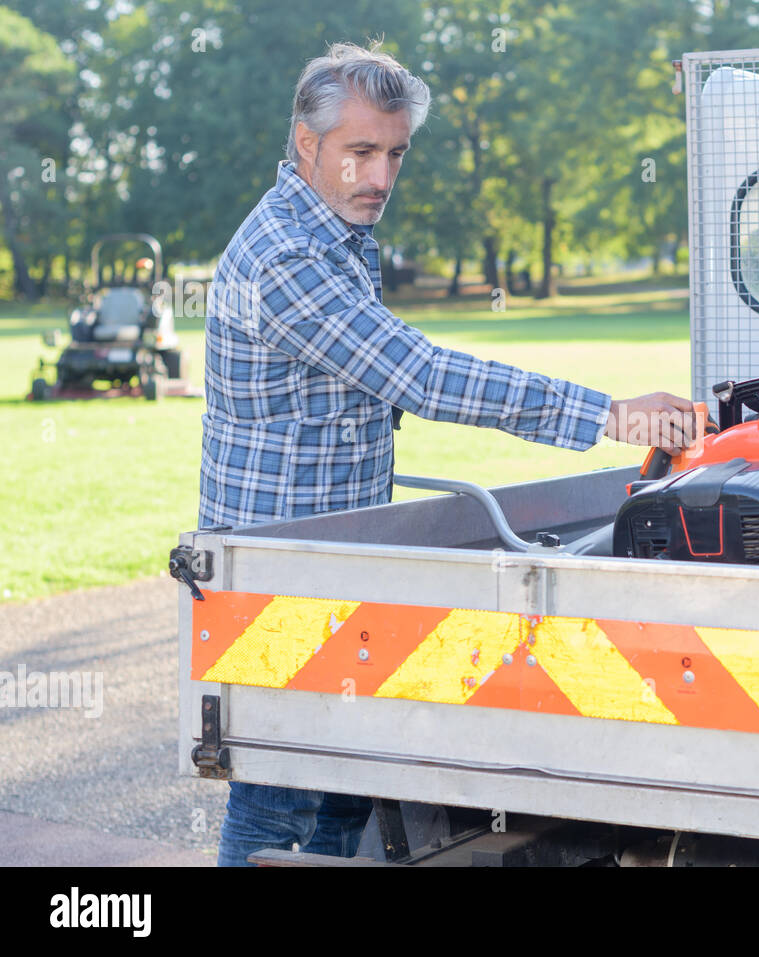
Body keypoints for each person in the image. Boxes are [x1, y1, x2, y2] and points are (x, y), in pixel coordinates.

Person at [200, 41, 694, 866]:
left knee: (347, 792)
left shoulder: (334, 232)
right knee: (275, 802)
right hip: (277, 573)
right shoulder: (286, 258)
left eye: (394, 154)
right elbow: (421, 374)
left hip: (339, 558)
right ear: (305, 143)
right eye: (361, 152)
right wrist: (611, 415)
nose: (381, 177)